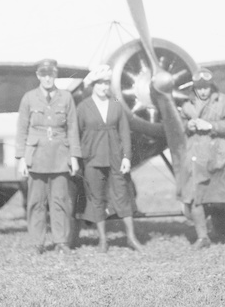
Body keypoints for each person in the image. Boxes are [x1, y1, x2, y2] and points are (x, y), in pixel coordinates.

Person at [15, 59, 81, 253]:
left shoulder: (66, 97)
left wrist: (74, 157)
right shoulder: (29, 98)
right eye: (43, 74)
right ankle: (37, 242)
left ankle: (61, 241)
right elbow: (22, 129)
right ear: (38, 76)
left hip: (60, 156)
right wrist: (21, 159)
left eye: (51, 74)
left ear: (55, 75)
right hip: (36, 157)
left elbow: (72, 129)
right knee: (36, 202)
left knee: (60, 201)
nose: (47, 78)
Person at [75, 65, 143, 253]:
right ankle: (103, 241)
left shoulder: (116, 105)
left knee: (122, 196)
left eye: (106, 83)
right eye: (100, 84)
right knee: (96, 198)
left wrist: (126, 158)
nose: (104, 87)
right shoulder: (83, 107)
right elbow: (76, 133)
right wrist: (79, 156)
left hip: (115, 157)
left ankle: (131, 238)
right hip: (92, 159)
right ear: (93, 86)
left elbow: (125, 134)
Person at [179, 68, 225, 248]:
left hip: (221, 154)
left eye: (206, 87)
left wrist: (210, 125)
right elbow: (180, 125)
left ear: (211, 86)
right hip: (196, 155)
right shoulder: (186, 104)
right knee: (195, 195)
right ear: (194, 88)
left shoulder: (224, 100)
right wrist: (188, 125)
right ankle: (203, 238)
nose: (202, 91)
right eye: (199, 88)